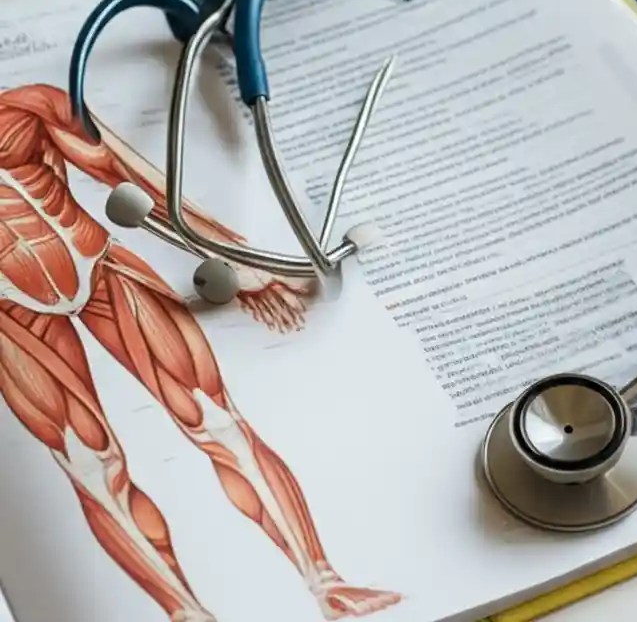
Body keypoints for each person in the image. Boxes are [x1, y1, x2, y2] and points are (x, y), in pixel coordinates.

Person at [0, 84, 401, 621]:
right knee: (89, 464)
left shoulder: (29, 103)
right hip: (12, 308)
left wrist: (237, 258)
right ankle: (187, 614)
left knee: (217, 420)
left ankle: (326, 584)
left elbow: (129, 174)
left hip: (97, 260)